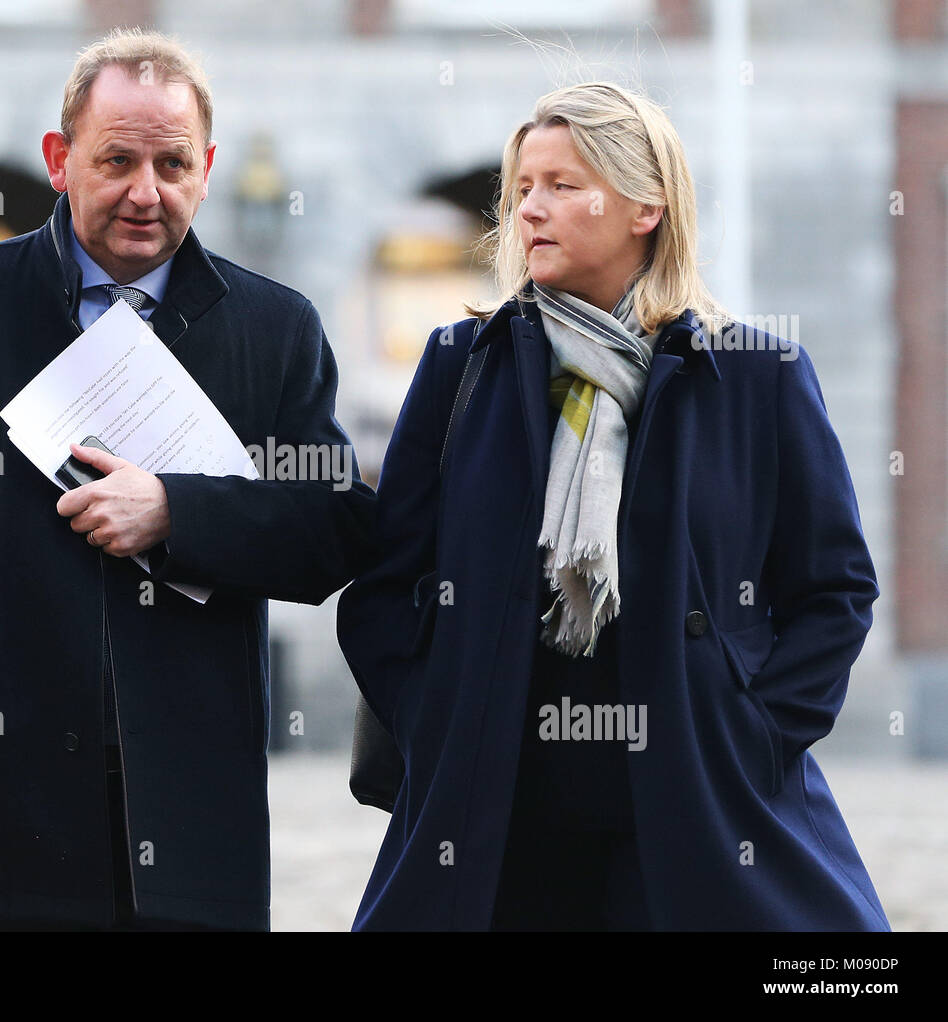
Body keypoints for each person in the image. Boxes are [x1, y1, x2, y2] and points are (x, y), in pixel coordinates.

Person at [0, 28, 374, 932]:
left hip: (195, 803)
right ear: (59, 159)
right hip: (3, 792)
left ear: (205, 167)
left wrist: (177, 512)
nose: (144, 191)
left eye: (170, 164)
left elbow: (331, 528)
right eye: (116, 159)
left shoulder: (276, 327)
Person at [337, 81, 889, 931]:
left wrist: (756, 734)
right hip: (498, 820)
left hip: (694, 806)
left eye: (562, 185)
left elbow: (836, 590)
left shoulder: (754, 375)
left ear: (646, 205)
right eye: (523, 188)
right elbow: (384, 586)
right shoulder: (462, 365)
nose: (530, 210)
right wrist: (436, 723)